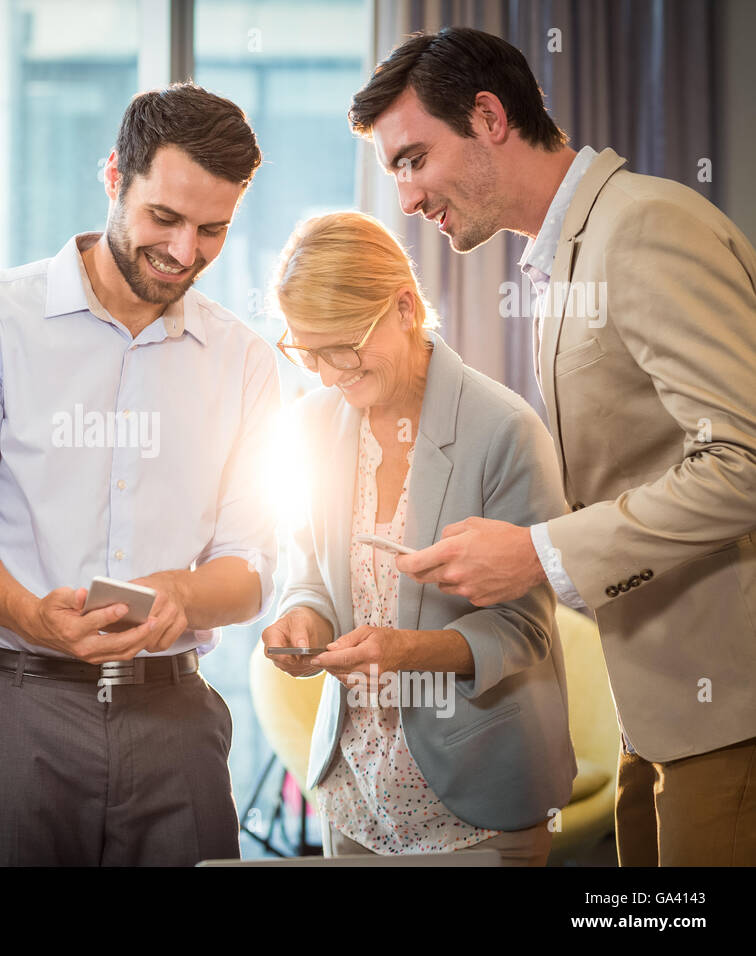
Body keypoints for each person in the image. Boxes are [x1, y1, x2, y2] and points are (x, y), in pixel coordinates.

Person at [349, 26, 756, 865]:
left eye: (413, 159)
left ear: (490, 116)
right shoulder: (563, 259)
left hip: (734, 709)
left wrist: (538, 553)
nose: (408, 198)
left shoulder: (644, 226)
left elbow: (744, 460)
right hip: (661, 708)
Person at [0, 83, 280, 866]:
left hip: (176, 718)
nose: (185, 253)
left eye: (212, 230)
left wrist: (180, 594)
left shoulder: (245, 360)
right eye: (164, 219)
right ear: (115, 176)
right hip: (13, 708)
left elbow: (250, 573)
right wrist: (32, 615)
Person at [261, 212, 575, 865]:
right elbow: (310, 569)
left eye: (341, 347)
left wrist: (407, 650)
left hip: (481, 795)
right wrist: (300, 614)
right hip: (353, 789)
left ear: (404, 307)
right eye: (306, 352)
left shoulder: (505, 431)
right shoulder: (312, 424)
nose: (326, 375)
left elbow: (525, 629)